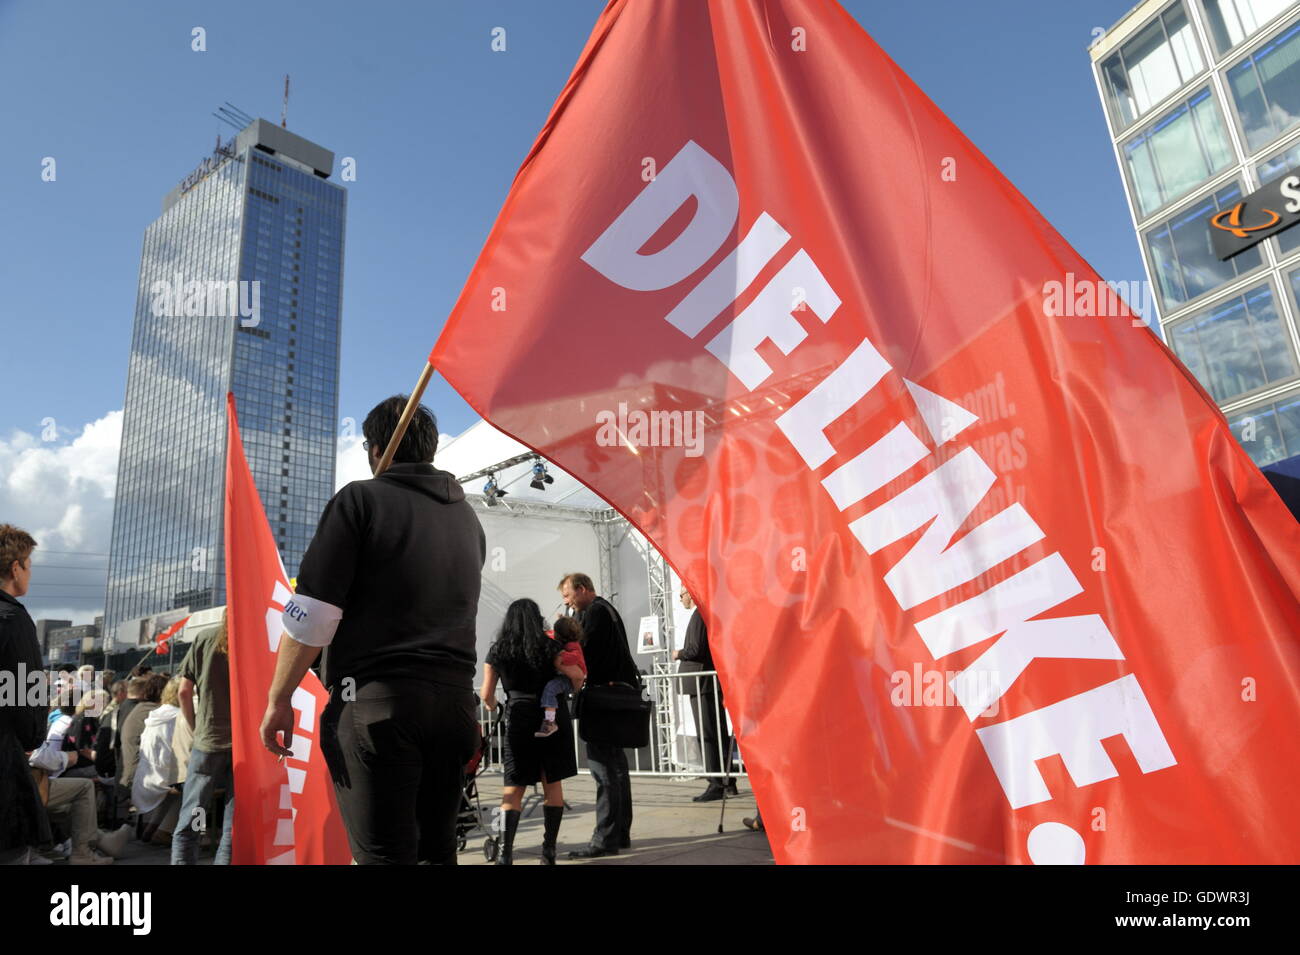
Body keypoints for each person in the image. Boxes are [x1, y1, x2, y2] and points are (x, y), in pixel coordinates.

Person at [260, 395, 485, 865]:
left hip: (377, 706)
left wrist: (279, 700)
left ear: (377, 447)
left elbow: (314, 614)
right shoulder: (467, 518)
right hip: (454, 707)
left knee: (384, 856)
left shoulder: (360, 499)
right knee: (438, 850)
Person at [480, 600, 583, 864]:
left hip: (519, 718)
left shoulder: (498, 650)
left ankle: (505, 855)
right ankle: (548, 852)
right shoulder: (551, 646)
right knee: (553, 785)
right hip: (551, 719)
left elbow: (486, 695)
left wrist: (495, 706)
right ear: (538, 620)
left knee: (513, 789)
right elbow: (575, 676)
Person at [558, 572, 639, 858]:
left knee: (602, 767)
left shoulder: (592, 612)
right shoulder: (607, 608)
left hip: (603, 698)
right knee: (617, 767)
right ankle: (620, 833)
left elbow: (583, 654)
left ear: (582, 589)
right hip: (617, 695)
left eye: (568, 596)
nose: (567, 603)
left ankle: (605, 838)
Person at [0, 524, 52, 866]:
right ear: (16, 567)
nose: (30, 573)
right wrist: (33, 735)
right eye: (29, 564)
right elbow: (26, 691)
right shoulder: (13, 619)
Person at [171, 613, 233, 865]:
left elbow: (184, 692)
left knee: (194, 817)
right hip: (244, 748)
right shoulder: (254, 642)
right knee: (232, 826)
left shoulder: (205, 639)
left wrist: (196, 727)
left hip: (208, 741)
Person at [673, 587, 736, 802]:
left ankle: (716, 783)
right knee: (715, 734)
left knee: (709, 735)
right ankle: (727, 781)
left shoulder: (700, 614)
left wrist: (678, 653)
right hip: (703, 684)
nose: (680, 598)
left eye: (681, 594)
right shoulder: (700, 614)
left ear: (690, 594)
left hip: (703, 684)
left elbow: (696, 649)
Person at [536, 615, 586, 738]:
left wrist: (562, 656)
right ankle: (549, 722)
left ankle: (550, 722)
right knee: (550, 688)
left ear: (561, 635)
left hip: (568, 680)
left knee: (550, 688)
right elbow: (550, 634)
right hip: (568, 677)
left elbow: (575, 656)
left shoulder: (572, 646)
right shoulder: (568, 642)